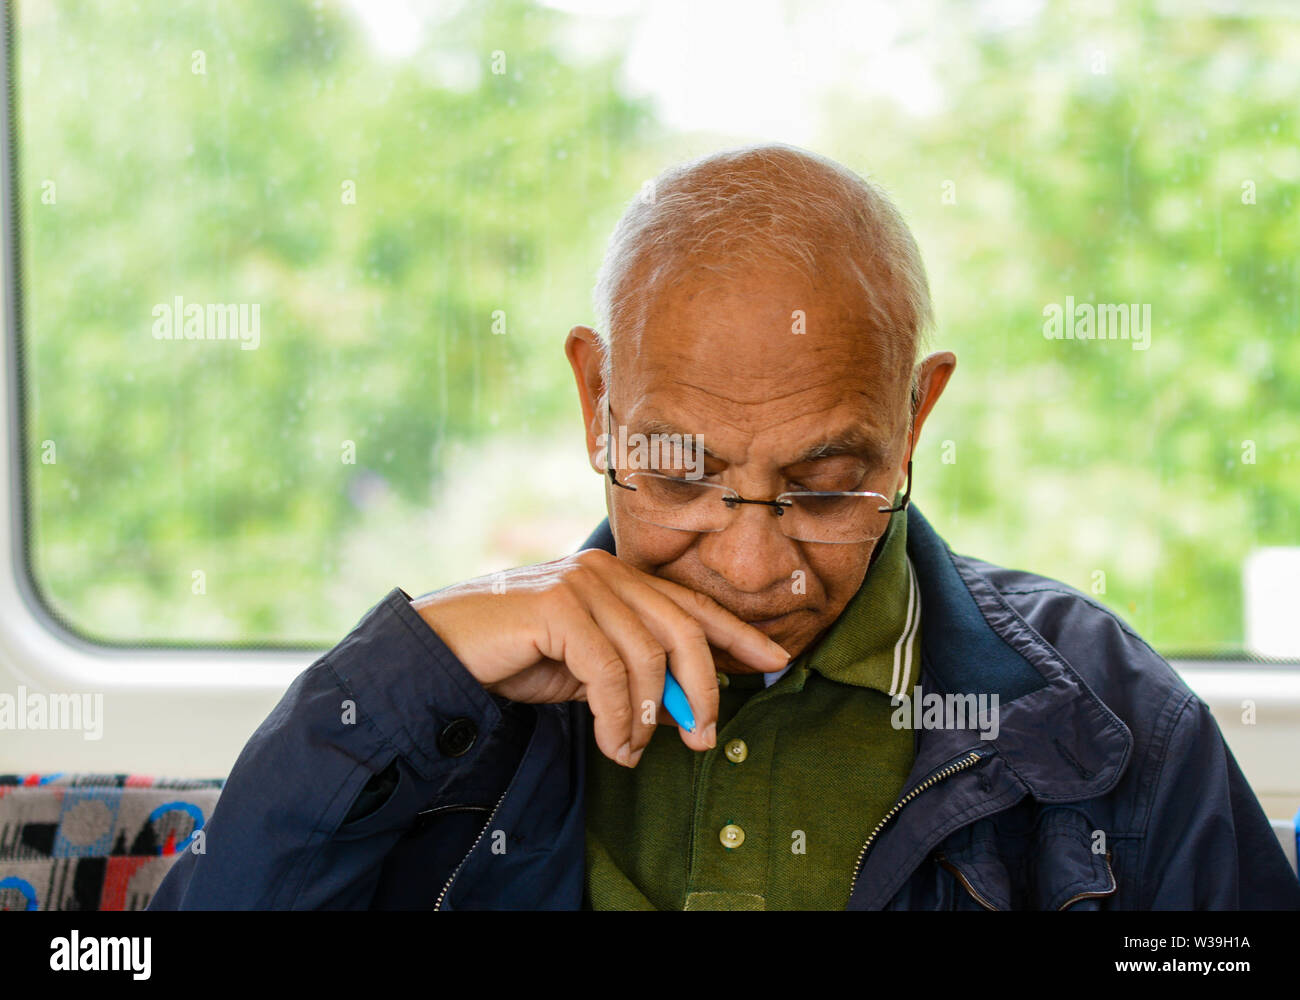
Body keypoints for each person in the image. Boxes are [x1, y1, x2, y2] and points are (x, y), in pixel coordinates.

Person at [149, 143, 1300, 910]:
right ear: (596, 402)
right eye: (680, 474)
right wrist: (417, 659)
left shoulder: (1108, 718)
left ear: (916, 416)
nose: (751, 564)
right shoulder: (453, 711)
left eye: (825, 483)